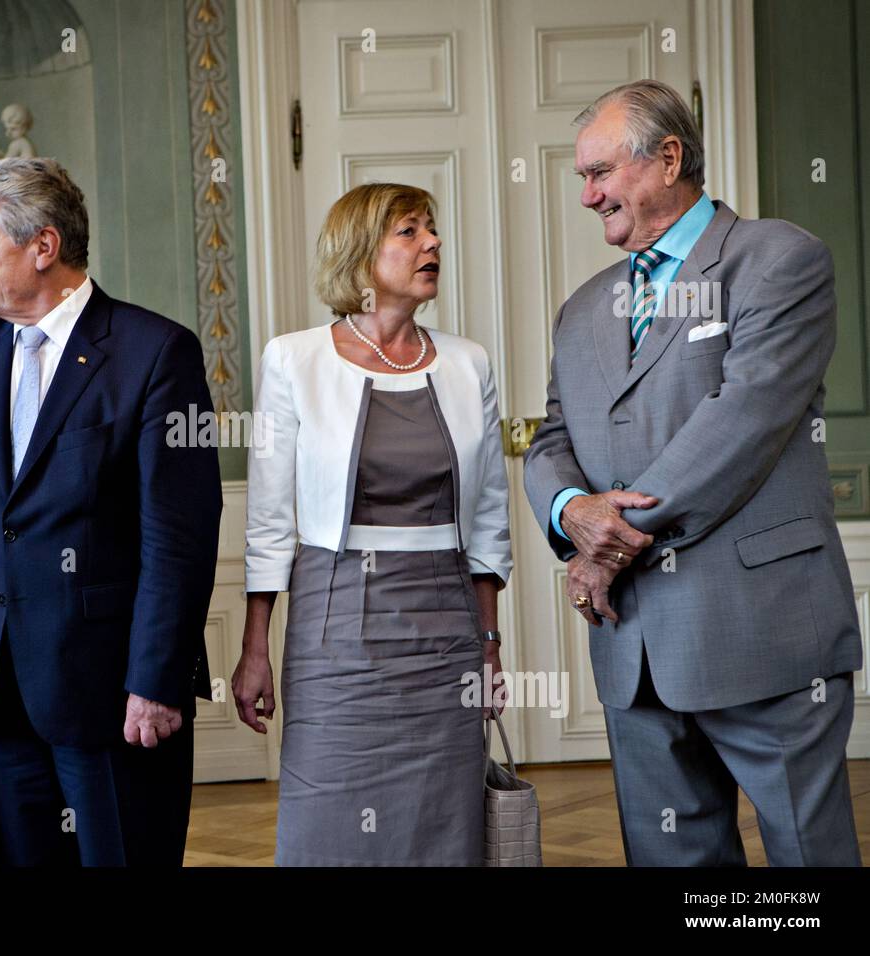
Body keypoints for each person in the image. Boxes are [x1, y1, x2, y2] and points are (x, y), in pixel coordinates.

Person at [524, 80, 862, 866]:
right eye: (582, 179)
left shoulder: (779, 259)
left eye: (599, 172)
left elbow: (743, 420)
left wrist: (610, 540)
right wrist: (573, 509)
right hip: (632, 646)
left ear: (667, 157)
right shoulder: (581, 310)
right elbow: (551, 439)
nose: (587, 195)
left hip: (761, 632)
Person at [0, 157, 222, 866]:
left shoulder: (157, 352)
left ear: (43, 247)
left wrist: (155, 679)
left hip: (112, 694)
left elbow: (179, 537)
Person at [233, 183, 512, 865]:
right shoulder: (293, 359)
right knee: (326, 814)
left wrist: (490, 644)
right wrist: (254, 648)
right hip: (335, 622)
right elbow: (269, 518)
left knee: (443, 819)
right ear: (360, 254)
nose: (433, 244)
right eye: (410, 231)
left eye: (433, 230)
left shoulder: (468, 361)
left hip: (444, 621)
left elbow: (488, 519)